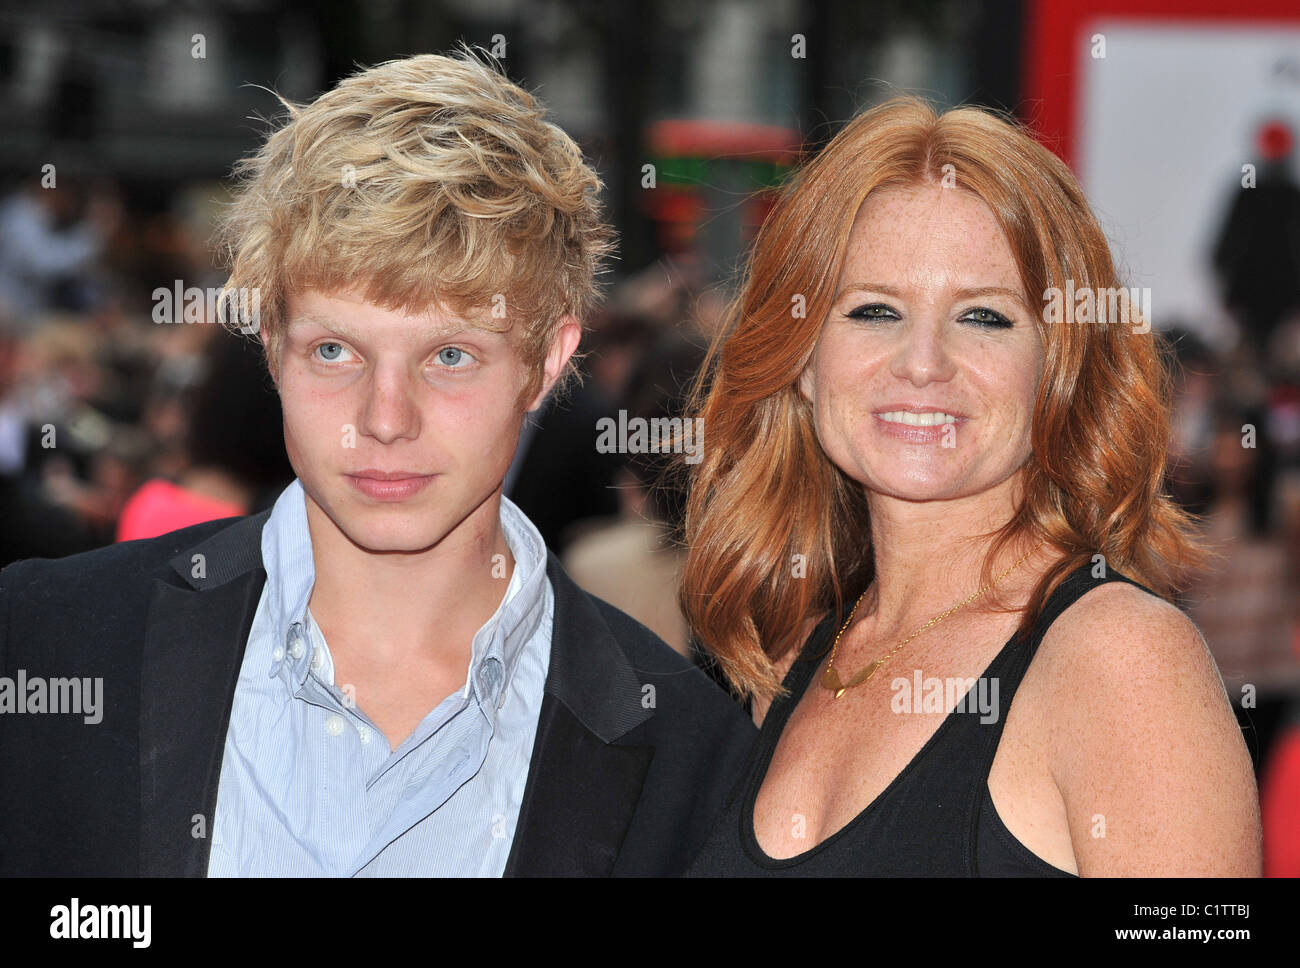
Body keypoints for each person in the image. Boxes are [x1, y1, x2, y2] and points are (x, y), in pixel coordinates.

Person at [0, 48, 756, 876]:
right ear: (270, 346)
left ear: (546, 361)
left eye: (451, 356)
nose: (384, 418)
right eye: (334, 350)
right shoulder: (45, 643)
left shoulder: (692, 758)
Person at [682, 95, 1261, 876]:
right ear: (804, 362)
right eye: (874, 310)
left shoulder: (1122, 661)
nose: (923, 363)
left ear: (1057, 368)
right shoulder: (790, 655)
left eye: (984, 317)